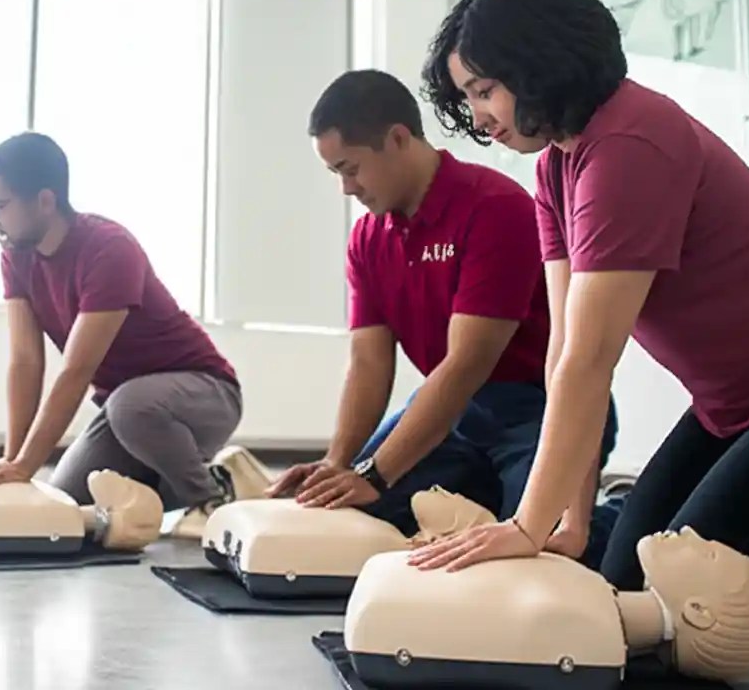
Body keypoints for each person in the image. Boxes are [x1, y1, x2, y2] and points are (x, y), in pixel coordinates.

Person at [412, 0, 749, 647]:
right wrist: (567, 522)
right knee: (623, 581)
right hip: (733, 409)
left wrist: (526, 525)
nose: (478, 117)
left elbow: (592, 358)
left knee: (671, 606)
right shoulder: (556, 169)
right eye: (468, 97)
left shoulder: (630, 144)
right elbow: (564, 354)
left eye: (484, 90)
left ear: (539, 62)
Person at [265, 69, 621, 570]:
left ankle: (628, 511)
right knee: (349, 512)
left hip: (536, 407)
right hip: (453, 413)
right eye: (336, 174)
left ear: (397, 139)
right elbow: (368, 365)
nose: (346, 188)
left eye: (351, 168)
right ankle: (477, 505)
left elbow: (467, 365)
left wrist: (376, 474)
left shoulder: (494, 207)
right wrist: (337, 464)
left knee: (541, 551)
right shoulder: (367, 239)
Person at [0, 132, 250, 530]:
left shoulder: (109, 248)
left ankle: (209, 498)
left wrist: (25, 465)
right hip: (129, 410)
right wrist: (14, 463)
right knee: (68, 499)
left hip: (206, 394)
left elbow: (77, 370)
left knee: (130, 407)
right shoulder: (16, 256)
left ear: (45, 201)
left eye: (0, 205)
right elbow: (25, 361)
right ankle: (222, 475)